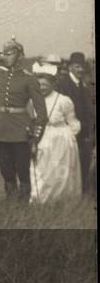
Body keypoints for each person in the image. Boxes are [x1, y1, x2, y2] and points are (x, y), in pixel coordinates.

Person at [0, 37, 47, 201]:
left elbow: (42, 112)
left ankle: (23, 205)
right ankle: (11, 204)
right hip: (1, 128)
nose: (5, 56)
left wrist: (36, 136)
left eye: (10, 53)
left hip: (21, 129)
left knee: (22, 169)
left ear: (20, 55)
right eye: (4, 53)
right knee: (6, 170)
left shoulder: (29, 78)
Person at [30, 68, 82, 203]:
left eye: (45, 85)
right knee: (41, 168)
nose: (41, 88)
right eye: (38, 85)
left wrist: (70, 139)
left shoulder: (63, 100)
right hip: (40, 136)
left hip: (59, 139)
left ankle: (60, 199)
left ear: (53, 84)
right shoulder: (32, 100)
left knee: (58, 169)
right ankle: (40, 198)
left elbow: (73, 121)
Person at [57, 52, 94, 198]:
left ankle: (81, 192)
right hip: (69, 131)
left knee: (84, 161)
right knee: (69, 163)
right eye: (77, 66)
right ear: (71, 67)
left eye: (82, 67)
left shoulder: (83, 85)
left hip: (84, 131)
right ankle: (69, 193)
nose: (80, 70)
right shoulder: (63, 84)